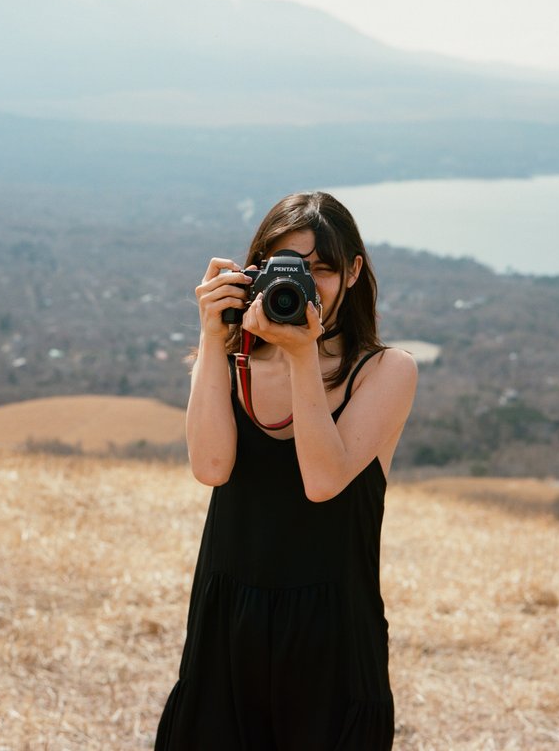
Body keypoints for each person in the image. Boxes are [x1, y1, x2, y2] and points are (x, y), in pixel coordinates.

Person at [154, 191, 419, 751]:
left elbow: (323, 481)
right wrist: (211, 336)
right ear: (255, 271)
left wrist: (302, 356)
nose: (304, 283)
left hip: (332, 627)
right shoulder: (228, 360)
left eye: (321, 269)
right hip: (228, 615)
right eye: (287, 266)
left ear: (353, 272)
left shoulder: (386, 371)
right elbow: (210, 467)